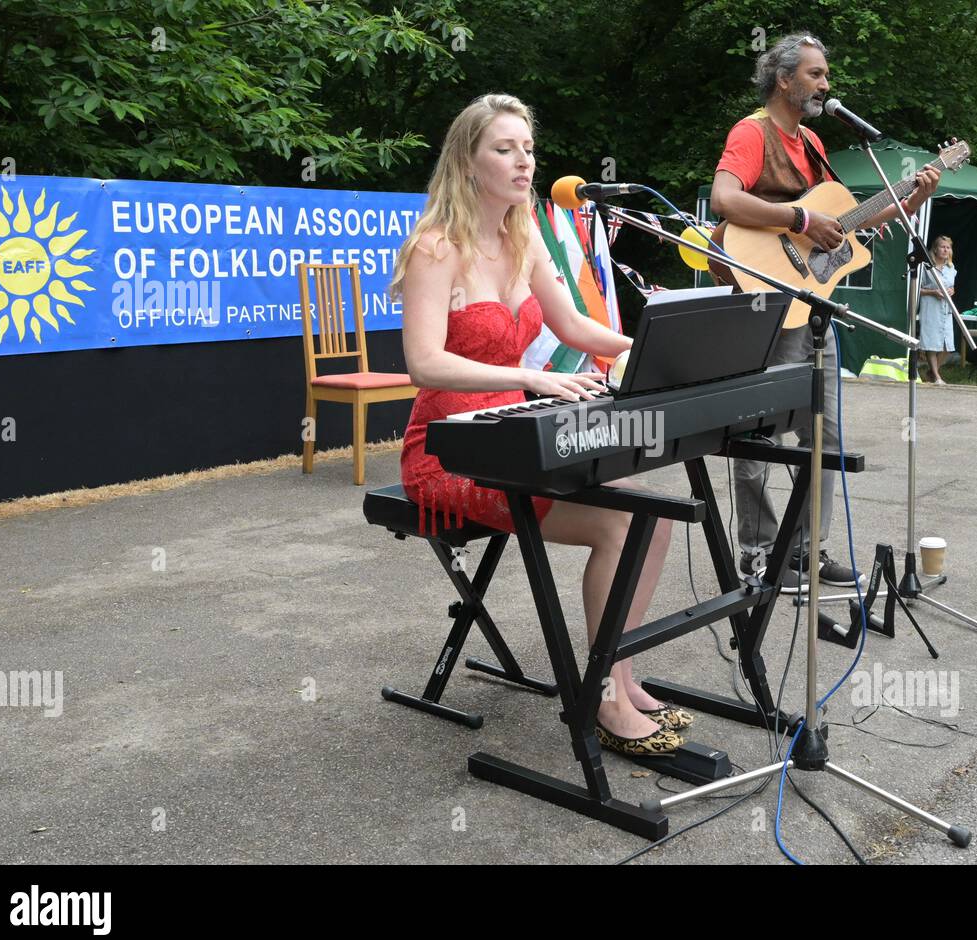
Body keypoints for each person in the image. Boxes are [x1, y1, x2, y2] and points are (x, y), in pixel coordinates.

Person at [390, 93, 690, 756]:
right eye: (504, 148)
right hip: (449, 451)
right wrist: (532, 378)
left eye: (527, 147)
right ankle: (604, 696)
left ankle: (619, 671)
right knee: (620, 521)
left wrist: (653, 351)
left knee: (657, 515)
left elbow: (577, 326)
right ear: (468, 163)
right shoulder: (436, 248)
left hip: (514, 431)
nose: (523, 160)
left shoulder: (525, 240)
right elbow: (424, 362)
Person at [709, 32, 941, 592]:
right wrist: (798, 220)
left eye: (825, 75)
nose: (825, 84)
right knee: (759, 433)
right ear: (783, 79)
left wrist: (913, 198)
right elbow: (725, 200)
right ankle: (761, 555)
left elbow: (845, 223)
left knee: (826, 435)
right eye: (815, 74)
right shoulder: (752, 131)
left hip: (812, 307)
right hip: (762, 301)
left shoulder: (812, 142)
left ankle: (810, 551)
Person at [918, 235, 957, 384]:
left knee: (947, 346)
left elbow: (951, 286)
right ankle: (936, 376)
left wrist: (952, 290)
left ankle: (930, 373)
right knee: (931, 344)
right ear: (935, 249)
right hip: (931, 308)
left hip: (946, 309)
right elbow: (916, 289)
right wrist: (933, 292)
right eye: (942, 247)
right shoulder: (926, 267)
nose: (945, 250)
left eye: (948, 247)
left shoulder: (951, 268)